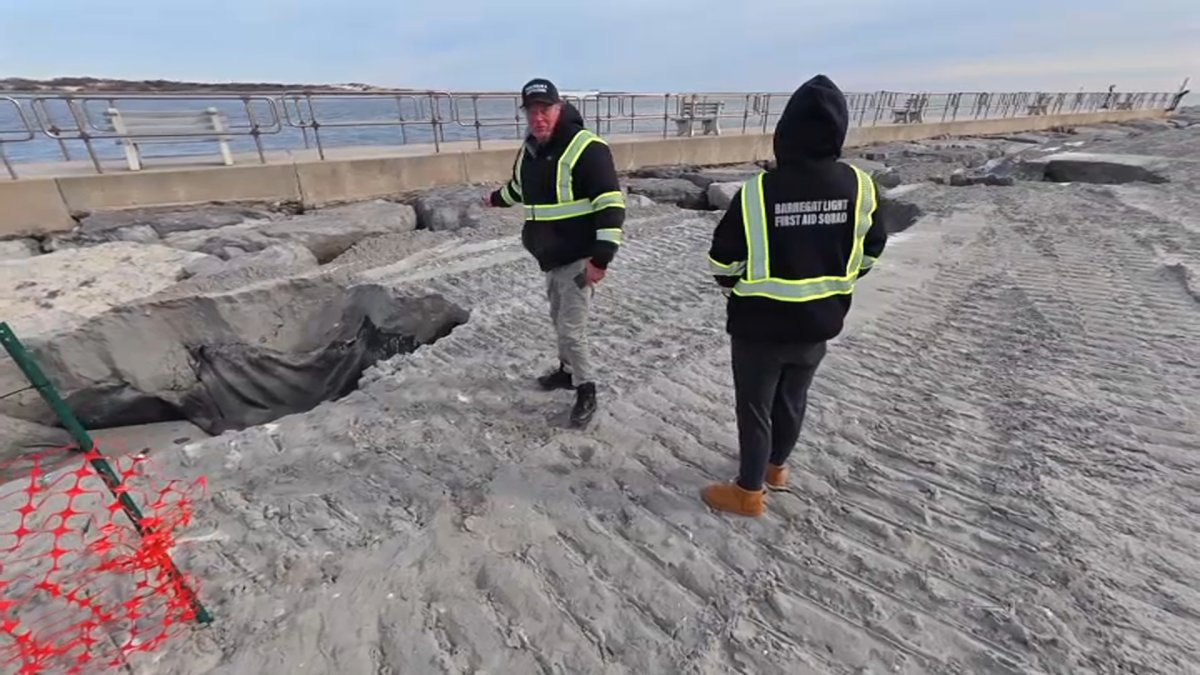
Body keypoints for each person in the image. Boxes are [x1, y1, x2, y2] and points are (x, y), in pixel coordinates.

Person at [703, 74, 888, 517]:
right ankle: (776, 469)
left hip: (759, 326)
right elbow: (871, 249)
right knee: (793, 399)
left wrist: (736, 290)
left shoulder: (757, 192)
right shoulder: (861, 186)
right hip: (819, 322)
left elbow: (722, 260)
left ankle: (748, 493)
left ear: (784, 133)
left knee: (755, 408)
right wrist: (836, 284)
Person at [484, 78, 626, 428]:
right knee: (557, 320)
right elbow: (519, 188)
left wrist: (601, 259)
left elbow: (611, 205)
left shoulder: (587, 148)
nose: (538, 118)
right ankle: (566, 372)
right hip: (550, 258)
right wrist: (494, 199)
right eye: (531, 111)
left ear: (559, 108)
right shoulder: (530, 150)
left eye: (544, 109)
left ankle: (586, 387)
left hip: (579, 256)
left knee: (571, 330)